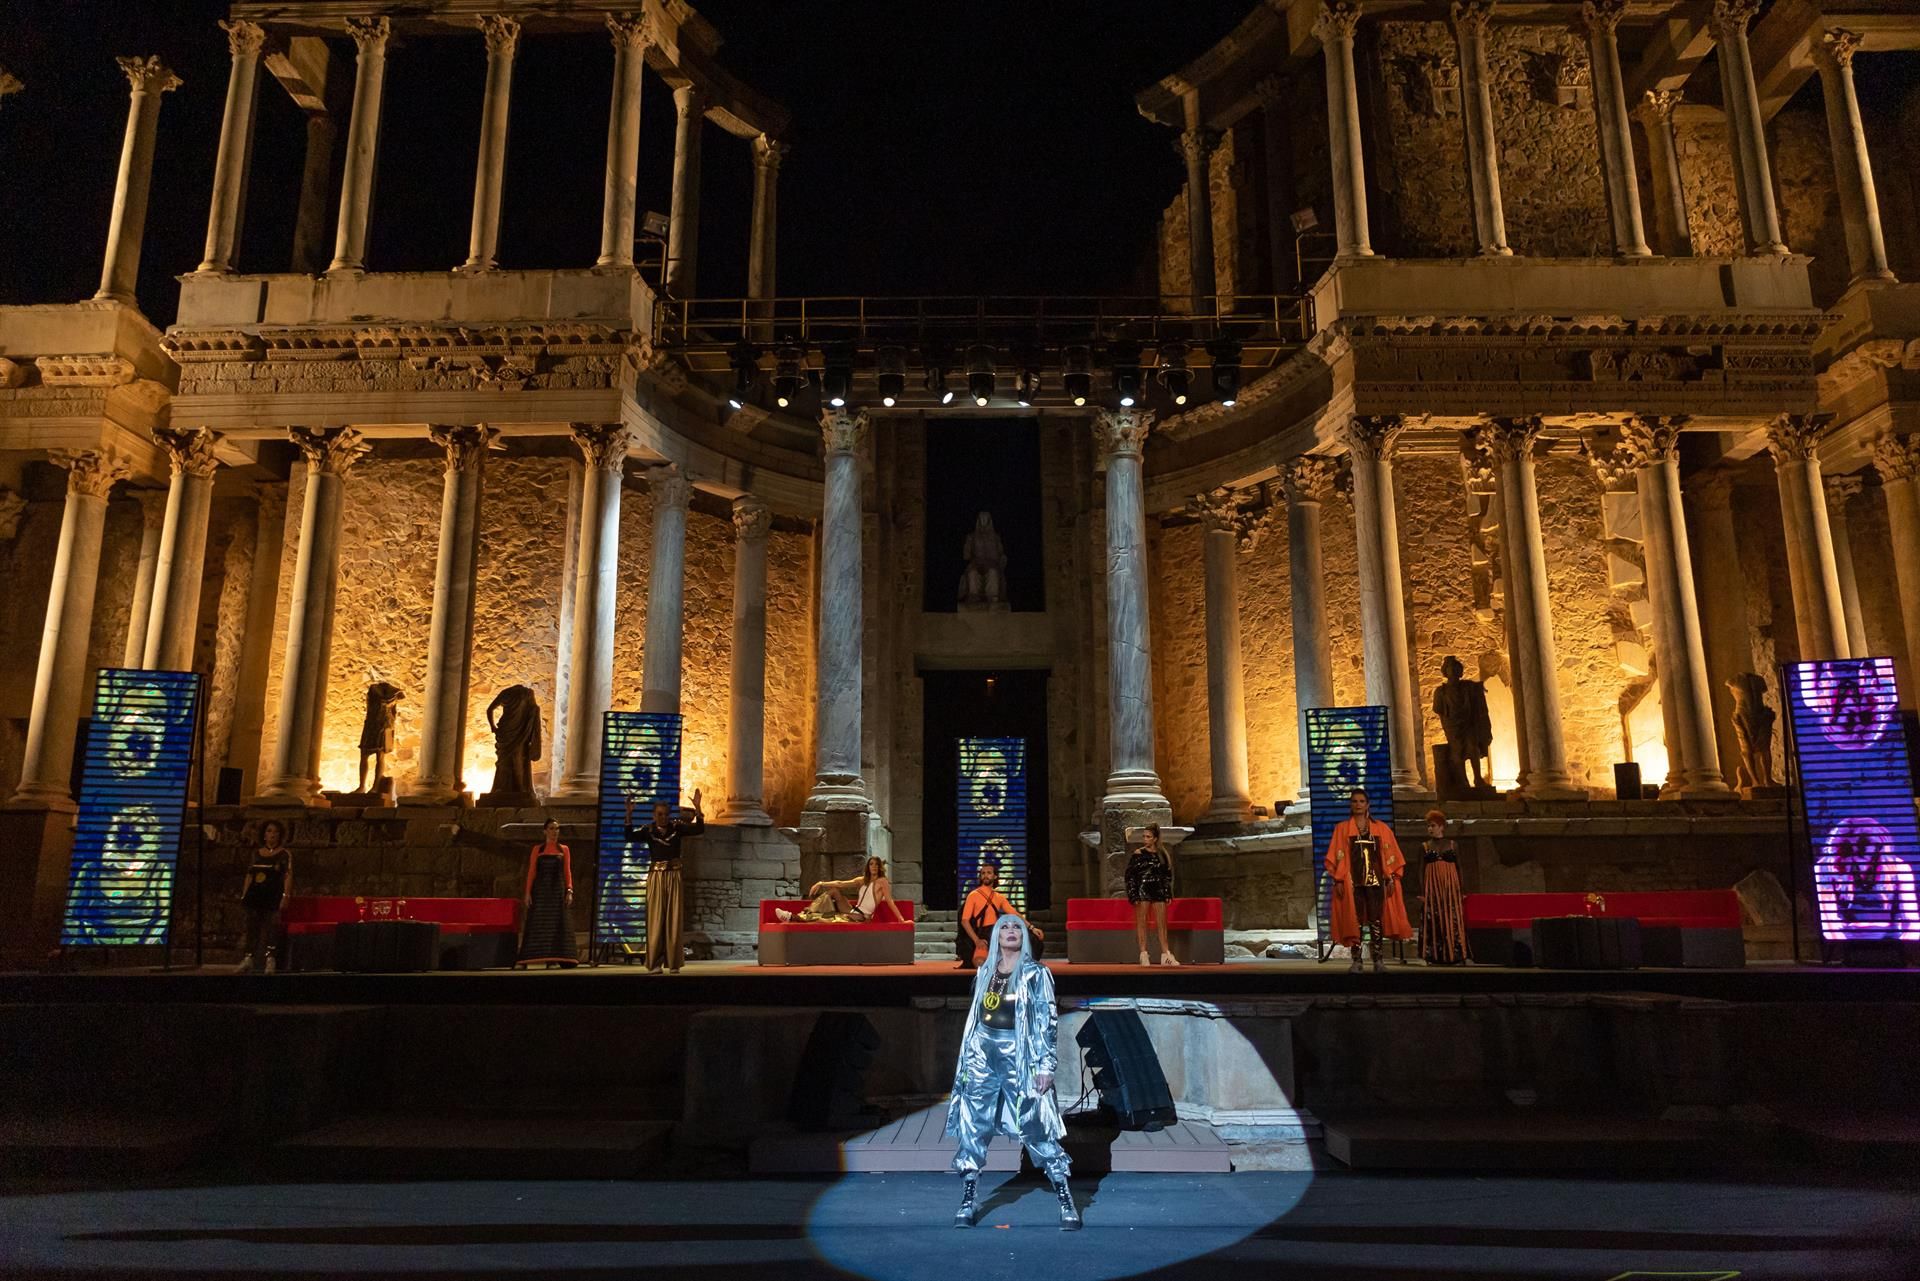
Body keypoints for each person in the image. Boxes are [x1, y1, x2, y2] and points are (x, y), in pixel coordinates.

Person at [947, 913, 1079, 1231]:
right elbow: (977, 1015)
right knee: (972, 1123)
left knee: (1037, 1123)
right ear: (996, 936)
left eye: (1016, 927)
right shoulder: (985, 971)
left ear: (1024, 936)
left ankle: (1065, 1199)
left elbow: (1048, 1019)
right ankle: (968, 1198)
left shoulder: (1036, 973)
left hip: (1019, 1054)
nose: (1010, 931)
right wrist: (968, 1058)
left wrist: (1045, 1064)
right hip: (981, 1052)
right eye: (1003, 927)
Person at [1326, 788, 1413, 973]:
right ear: (1350, 805)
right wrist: (1338, 880)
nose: (1358, 804)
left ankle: (1378, 960)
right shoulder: (1342, 829)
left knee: (1376, 920)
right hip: (1353, 883)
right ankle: (1357, 960)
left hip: (1376, 882)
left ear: (1368, 805)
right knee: (1355, 921)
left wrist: (1390, 878)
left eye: (1361, 801)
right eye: (1354, 801)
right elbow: (1336, 856)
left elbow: (1390, 855)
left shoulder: (1380, 828)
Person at [625, 790, 705, 973]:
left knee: (673, 918)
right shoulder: (648, 831)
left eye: (666, 814)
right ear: (654, 815)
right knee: (656, 919)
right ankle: (655, 963)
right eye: (660, 814)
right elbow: (629, 836)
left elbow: (699, 829)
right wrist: (629, 814)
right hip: (656, 877)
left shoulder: (677, 828)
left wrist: (698, 808)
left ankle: (673, 963)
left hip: (674, 876)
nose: (663, 818)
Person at [956, 862, 1043, 967]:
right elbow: (964, 921)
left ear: (995, 876)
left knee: (1033, 940)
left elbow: (1015, 914)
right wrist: (977, 940)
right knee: (980, 962)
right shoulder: (973, 895)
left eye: (989, 873)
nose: (985, 875)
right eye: (983, 873)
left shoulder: (999, 897)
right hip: (980, 934)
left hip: (995, 933)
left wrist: (1032, 928)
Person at [517, 817, 577, 969]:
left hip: (557, 891)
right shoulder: (538, 849)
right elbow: (532, 871)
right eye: (551, 828)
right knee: (537, 923)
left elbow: (567, 871)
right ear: (545, 831)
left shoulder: (564, 849)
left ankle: (553, 959)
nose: (554, 832)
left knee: (556, 925)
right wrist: (527, 893)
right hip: (541, 891)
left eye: (557, 829)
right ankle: (526, 959)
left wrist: (569, 890)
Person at [778, 856, 908, 923]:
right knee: (834, 891)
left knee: (827, 919)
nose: (874, 867)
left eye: (876, 864)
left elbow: (890, 901)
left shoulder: (882, 881)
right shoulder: (862, 880)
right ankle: (805, 913)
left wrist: (901, 920)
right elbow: (840, 883)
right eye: (871, 864)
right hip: (852, 909)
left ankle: (792, 917)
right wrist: (821, 883)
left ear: (880, 867)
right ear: (868, 867)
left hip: (861, 916)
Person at [238, 819, 292, 974]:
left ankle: (270, 958)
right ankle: (248, 957)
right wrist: (244, 894)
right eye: (269, 831)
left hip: (273, 894)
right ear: (264, 835)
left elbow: (287, 875)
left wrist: (286, 895)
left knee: (272, 926)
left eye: (276, 832)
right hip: (255, 894)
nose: (272, 835)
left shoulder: (284, 854)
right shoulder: (256, 854)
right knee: (251, 926)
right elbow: (249, 875)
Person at [1418, 809, 1471, 965]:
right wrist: (1422, 892)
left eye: (1433, 825)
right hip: (1432, 887)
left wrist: (1462, 889)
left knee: (1452, 919)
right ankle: (1434, 956)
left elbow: (1459, 867)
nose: (1430, 828)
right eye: (1428, 826)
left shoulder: (1453, 845)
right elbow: (1420, 870)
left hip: (1450, 887)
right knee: (1434, 919)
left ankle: (1456, 955)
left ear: (1441, 827)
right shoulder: (1424, 846)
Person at [1126, 822, 1178, 967]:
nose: (1145, 839)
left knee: (1162, 924)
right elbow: (1130, 876)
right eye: (1144, 836)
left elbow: (1167, 876)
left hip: (1158, 890)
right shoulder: (1138, 854)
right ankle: (1143, 954)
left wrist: (1167, 893)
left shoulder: (1162, 854)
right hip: (1143, 889)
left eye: (1148, 837)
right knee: (1142, 922)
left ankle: (1166, 954)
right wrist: (1133, 894)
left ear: (1155, 838)